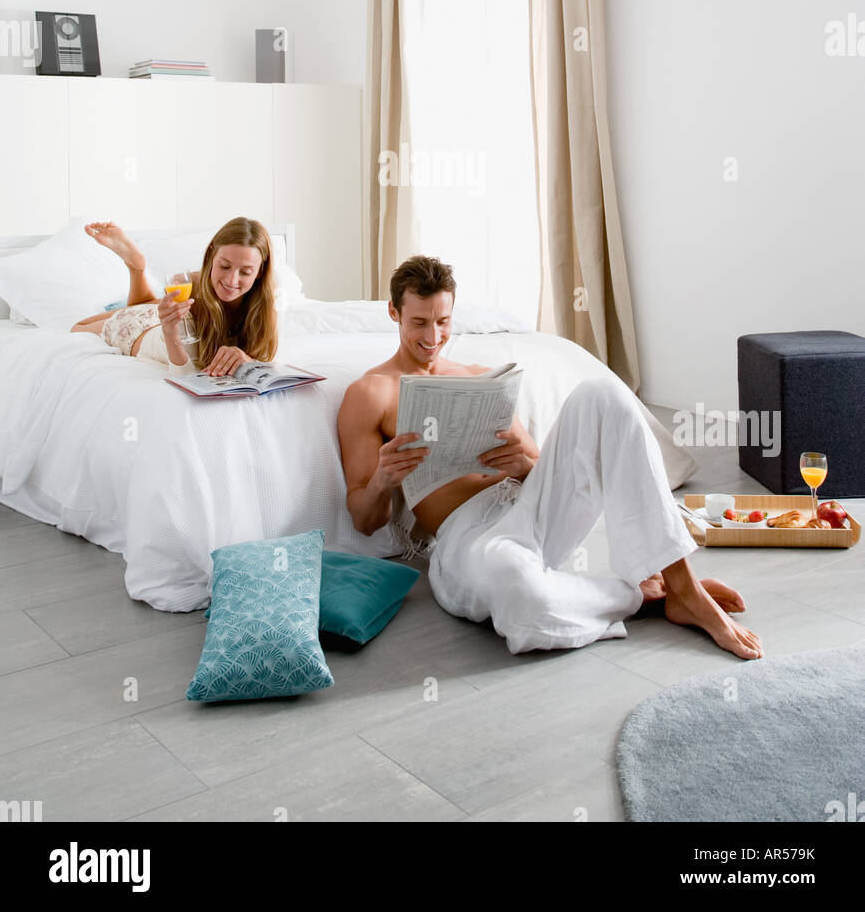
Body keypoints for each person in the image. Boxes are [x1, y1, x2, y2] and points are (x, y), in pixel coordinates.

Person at [337, 254, 764, 660]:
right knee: (521, 593)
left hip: (531, 505)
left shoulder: (476, 378)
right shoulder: (370, 393)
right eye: (418, 323)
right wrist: (382, 480)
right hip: (471, 537)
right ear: (393, 312)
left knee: (604, 392)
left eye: (443, 322)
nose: (433, 338)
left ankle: (684, 587)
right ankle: (648, 597)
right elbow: (363, 517)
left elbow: (541, 465)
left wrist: (523, 466)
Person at [69, 217, 279, 377]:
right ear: (212, 255)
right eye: (224, 266)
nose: (232, 280)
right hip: (145, 331)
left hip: (161, 315)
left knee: (150, 306)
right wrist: (169, 332)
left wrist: (248, 360)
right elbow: (183, 373)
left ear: (260, 270)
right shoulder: (188, 286)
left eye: (245, 272)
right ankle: (137, 268)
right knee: (78, 327)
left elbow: (268, 362)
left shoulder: (266, 306)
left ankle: (137, 267)